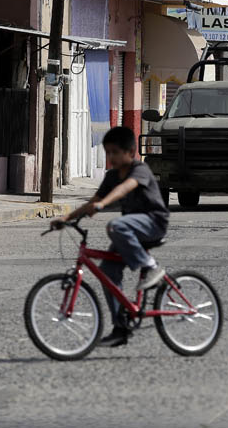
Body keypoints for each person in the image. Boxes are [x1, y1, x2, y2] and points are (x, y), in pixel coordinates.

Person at [51, 126, 169, 347]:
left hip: (153, 223)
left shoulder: (140, 169)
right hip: (131, 230)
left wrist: (103, 204)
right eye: (108, 152)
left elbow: (126, 188)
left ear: (131, 151)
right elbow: (93, 201)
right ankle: (120, 328)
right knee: (108, 272)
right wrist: (67, 218)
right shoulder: (111, 176)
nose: (111, 157)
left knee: (115, 225)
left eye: (115, 152)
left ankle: (150, 267)